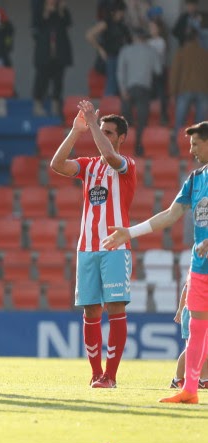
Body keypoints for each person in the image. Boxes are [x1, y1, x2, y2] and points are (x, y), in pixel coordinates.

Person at [103, 120, 208, 404]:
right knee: (197, 329)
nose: (191, 150)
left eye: (196, 144)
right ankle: (190, 390)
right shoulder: (195, 179)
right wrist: (130, 232)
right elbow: (170, 215)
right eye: (190, 145)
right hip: (200, 267)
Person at [50, 101, 136, 389]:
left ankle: (111, 376)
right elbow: (56, 165)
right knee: (90, 312)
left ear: (121, 138)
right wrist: (77, 130)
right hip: (86, 247)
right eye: (101, 130)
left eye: (109, 132)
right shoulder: (88, 166)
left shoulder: (126, 165)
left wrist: (92, 121)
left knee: (115, 308)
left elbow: (110, 156)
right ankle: (96, 373)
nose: (103, 135)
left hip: (115, 248)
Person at [117, 28, 161, 156]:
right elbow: (158, 71)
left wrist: (122, 89)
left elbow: (120, 72)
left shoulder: (125, 50)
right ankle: (138, 146)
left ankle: (123, 146)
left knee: (125, 120)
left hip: (128, 89)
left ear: (134, 38)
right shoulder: (151, 51)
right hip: (144, 89)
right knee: (142, 120)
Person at [32, 0, 72, 117]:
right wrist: (46, 12)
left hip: (59, 54)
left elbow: (68, 23)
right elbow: (36, 24)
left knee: (58, 81)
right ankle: (38, 105)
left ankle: (55, 106)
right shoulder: (39, 10)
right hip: (44, 53)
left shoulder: (61, 11)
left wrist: (61, 10)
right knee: (41, 80)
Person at [169, 28, 208, 141]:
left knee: (179, 121)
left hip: (185, 89)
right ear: (197, 39)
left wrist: (172, 93)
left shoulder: (181, 52)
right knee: (200, 125)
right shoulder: (204, 54)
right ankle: (198, 147)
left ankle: (176, 143)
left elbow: (175, 73)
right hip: (202, 90)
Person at [169, 282, 208, 389]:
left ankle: (204, 379)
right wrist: (180, 310)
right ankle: (178, 379)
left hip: (202, 313)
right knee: (194, 348)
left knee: (202, 347)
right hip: (193, 313)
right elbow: (186, 290)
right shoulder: (200, 273)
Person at [86, 3, 130, 97]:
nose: (122, 14)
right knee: (112, 83)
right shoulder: (106, 23)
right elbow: (89, 35)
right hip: (111, 56)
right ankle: (108, 102)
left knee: (120, 83)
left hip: (121, 57)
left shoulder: (122, 25)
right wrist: (100, 49)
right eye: (120, 11)